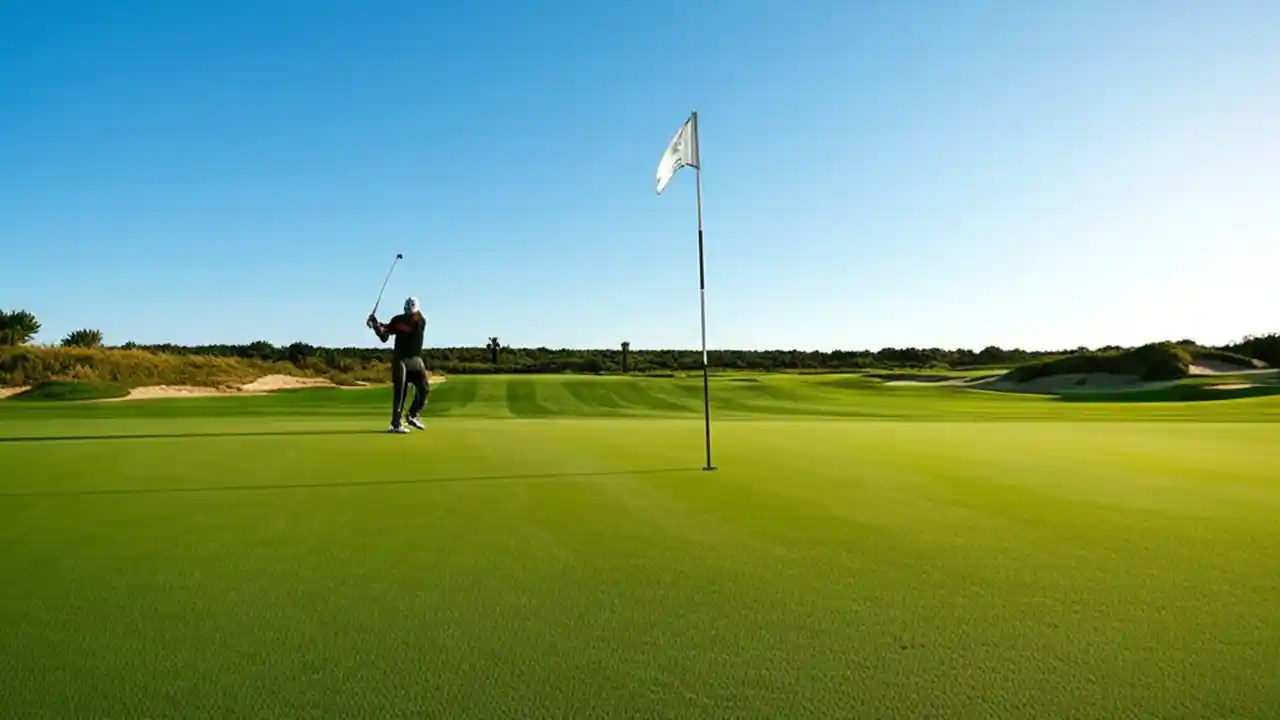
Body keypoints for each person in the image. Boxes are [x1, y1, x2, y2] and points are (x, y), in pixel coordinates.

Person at [367, 296, 429, 433]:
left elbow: (409, 330)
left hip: (415, 360)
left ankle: (412, 415)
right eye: (407, 309)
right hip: (400, 359)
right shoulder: (398, 319)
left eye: (411, 309)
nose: (409, 312)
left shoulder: (420, 321)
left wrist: (380, 325)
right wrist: (376, 326)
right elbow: (384, 337)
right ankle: (395, 424)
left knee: (424, 390)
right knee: (400, 392)